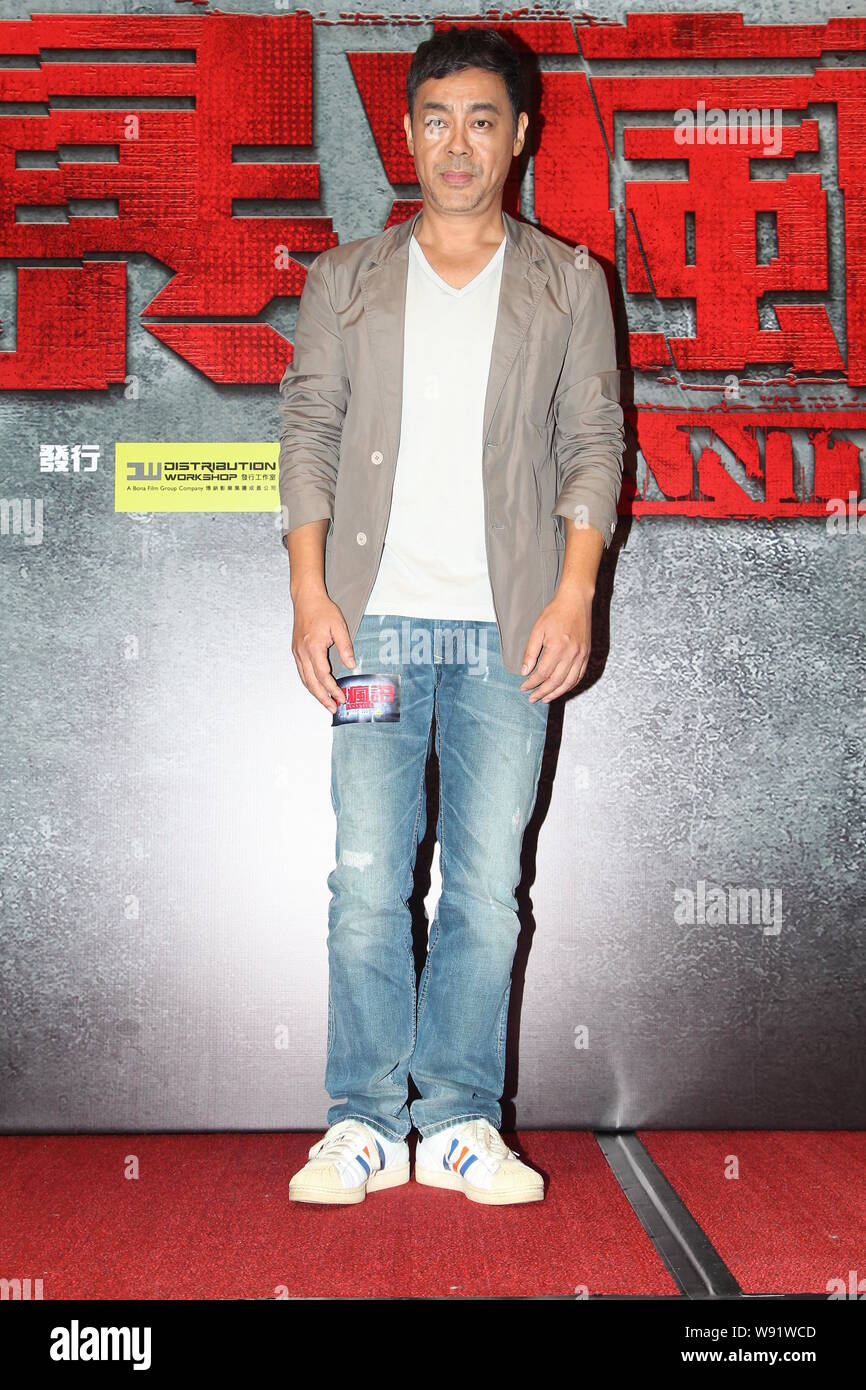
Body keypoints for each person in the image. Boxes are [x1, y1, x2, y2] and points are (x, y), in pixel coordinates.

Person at [278, 25, 624, 1206]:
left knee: (484, 883)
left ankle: (464, 1117)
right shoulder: (345, 281)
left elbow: (591, 446)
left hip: (504, 634)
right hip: (373, 626)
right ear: (409, 134)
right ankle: (364, 1122)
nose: (458, 143)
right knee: (367, 875)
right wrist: (308, 591)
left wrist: (573, 594)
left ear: (518, 135)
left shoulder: (569, 285)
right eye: (436, 119)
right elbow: (307, 435)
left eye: (483, 119)